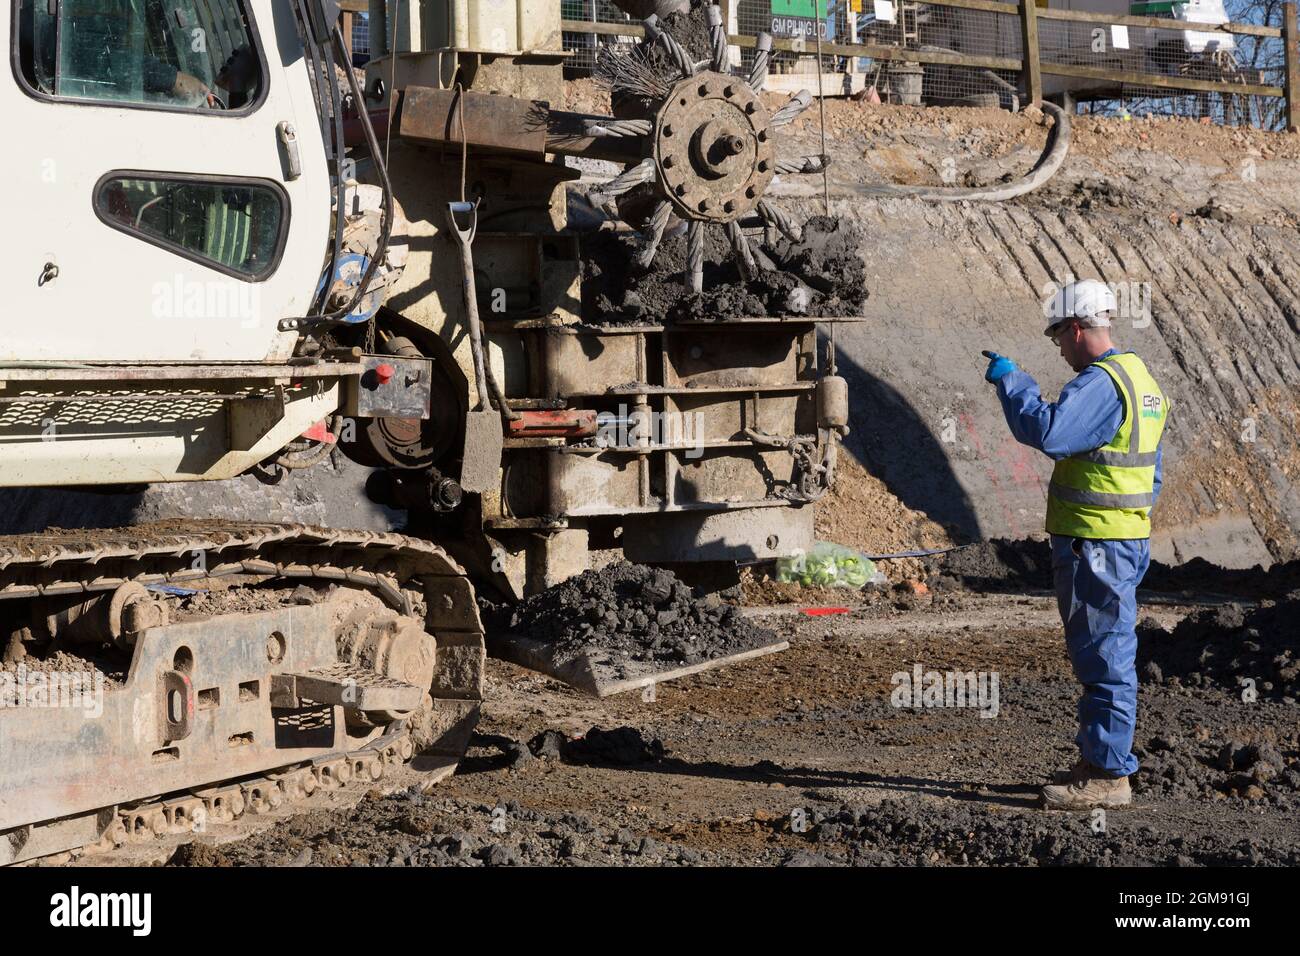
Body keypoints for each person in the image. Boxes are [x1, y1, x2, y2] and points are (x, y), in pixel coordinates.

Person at [983, 279, 1169, 810]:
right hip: (1120, 538)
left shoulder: (1101, 383)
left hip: (1098, 543)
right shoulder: (1143, 381)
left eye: (1059, 337)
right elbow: (1149, 474)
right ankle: (1098, 760)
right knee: (1102, 652)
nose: (1059, 348)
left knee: (1104, 654)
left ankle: (1109, 775)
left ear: (1078, 327)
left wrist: (1012, 382)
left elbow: (1051, 432)